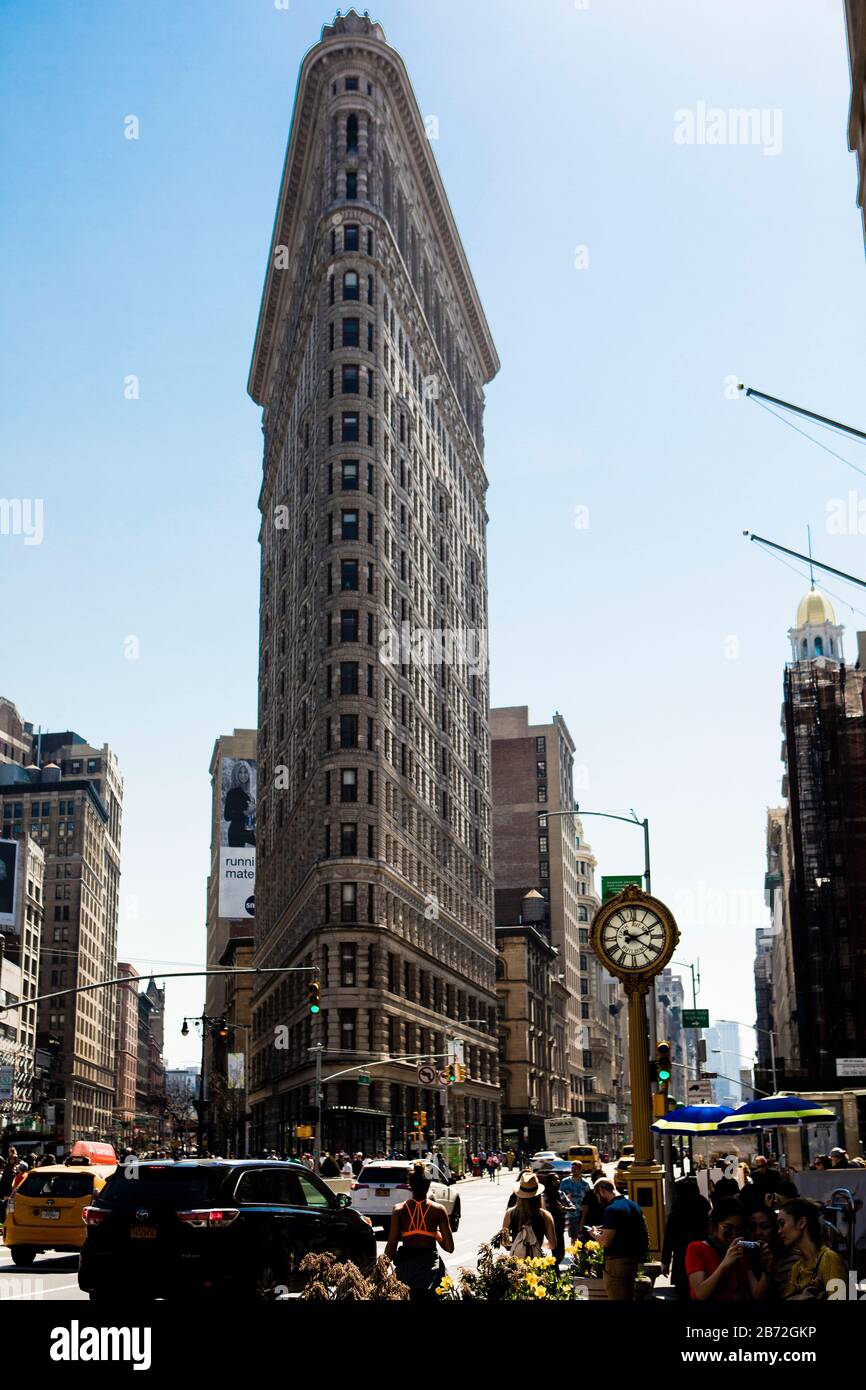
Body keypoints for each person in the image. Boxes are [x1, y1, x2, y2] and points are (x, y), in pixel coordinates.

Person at [385, 1160, 454, 1300]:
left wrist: (381, 1270)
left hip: (405, 1268)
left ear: (410, 1185)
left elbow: (392, 1245)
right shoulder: (438, 1210)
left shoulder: (399, 1210)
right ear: (429, 1185)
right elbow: (449, 1247)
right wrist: (434, 1233)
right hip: (430, 1270)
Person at [685, 1198, 765, 1301]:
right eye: (728, 1228)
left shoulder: (741, 1251)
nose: (734, 1235)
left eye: (738, 1230)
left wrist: (768, 1269)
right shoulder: (696, 1248)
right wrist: (725, 1263)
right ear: (715, 1225)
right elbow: (701, 1294)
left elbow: (757, 1295)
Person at [590, 1178, 649, 1301]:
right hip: (632, 1262)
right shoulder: (634, 1206)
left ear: (601, 1191)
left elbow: (606, 1241)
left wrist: (594, 1233)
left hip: (616, 1265)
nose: (598, 1199)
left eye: (597, 1195)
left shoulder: (612, 1209)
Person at [777, 1197, 848, 1299]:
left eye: (782, 1223)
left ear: (802, 1222)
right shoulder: (797, 1268)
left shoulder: (829, 1259)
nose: (779, 1231)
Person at [661, 1178, 711, 1302]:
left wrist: (665, 1261)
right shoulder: (703, 1204)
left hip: (682, 1256)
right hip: (703, 1253)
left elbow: (669, 1237)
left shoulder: (677, 1208)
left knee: (684, 1292)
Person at [501, 1170, 557, 1259]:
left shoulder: (510, 1213)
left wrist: (519, 1241)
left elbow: (504, 1241)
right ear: (538, 1194)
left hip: (517, 1264)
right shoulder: (545, 1215)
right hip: (537, 1262)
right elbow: (553, 1245)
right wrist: (537, 1243)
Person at [537, 1168, 568, 1265]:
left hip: (560, 1225)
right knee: (553, 1249)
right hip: (548, 1225)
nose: (557, 1181)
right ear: (549, 1182)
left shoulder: (561, 1194)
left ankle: (554, 1267)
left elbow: (572, 1206)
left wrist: (563, 1208)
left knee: (561, 1252)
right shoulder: (544, 1195)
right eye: (555, 1179)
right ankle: (554, 1269)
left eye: (558, 1179)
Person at [560, 1162, 591, 1244]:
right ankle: (574, 1255)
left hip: (582, 1214)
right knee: (573, 1237)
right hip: (570, 1214)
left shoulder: (585, 1184)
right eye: (572, 1168)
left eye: (575, 1168)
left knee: (583, 1237)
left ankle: (583, 1255)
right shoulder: (565, 1182)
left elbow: (589, 1199)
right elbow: (560, 1197)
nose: (573, 1170)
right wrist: (566, 1198)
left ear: (580, 1170)